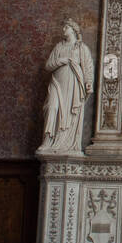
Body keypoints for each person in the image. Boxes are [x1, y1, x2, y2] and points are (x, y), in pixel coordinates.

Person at [38, 18, 95, 154]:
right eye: (64, 27)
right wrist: (61, 60)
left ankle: (65, 144)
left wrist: (88, 82)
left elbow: (88, 67)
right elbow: (48, 65)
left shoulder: (81, 48)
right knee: (52, 108)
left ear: (74, 30)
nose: (64, 30)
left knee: (69, 114)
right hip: (57, 85)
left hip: (74, 86)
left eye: (66, 27)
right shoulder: (59, 47)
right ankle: (48, 141)